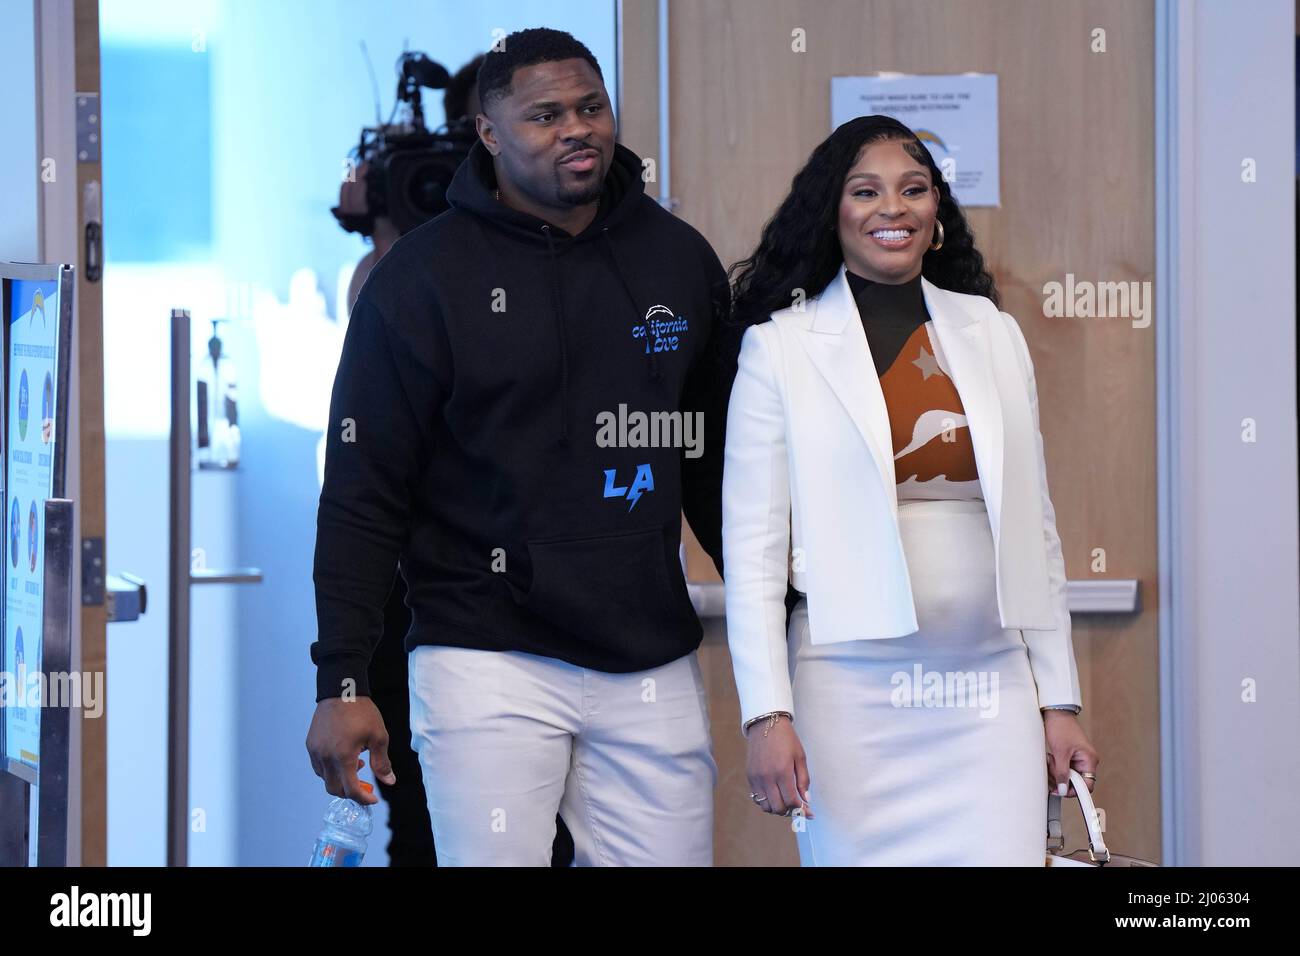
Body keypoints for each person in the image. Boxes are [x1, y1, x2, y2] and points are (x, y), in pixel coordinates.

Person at [307, 27, 736, 866]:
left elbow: (713, 469)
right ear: (490, 133)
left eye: (590, 106)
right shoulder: (422, 280)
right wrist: (343, 681)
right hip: (485, 656)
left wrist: (790, 608)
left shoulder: (677, 260)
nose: (576, 127)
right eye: (544, 114)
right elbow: (364, 491)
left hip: (647, 654)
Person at [722, 114, 1100, 865]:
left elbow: (1039, 532)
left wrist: (1059, 700)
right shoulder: (779, 348)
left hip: (990, 691)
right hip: (849, 700)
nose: (892, 208)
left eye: (913, 189)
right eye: (866, 191)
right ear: (834, 213)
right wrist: (767, 713)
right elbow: (754, 557)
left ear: (936, 215)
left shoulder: (992, 332)